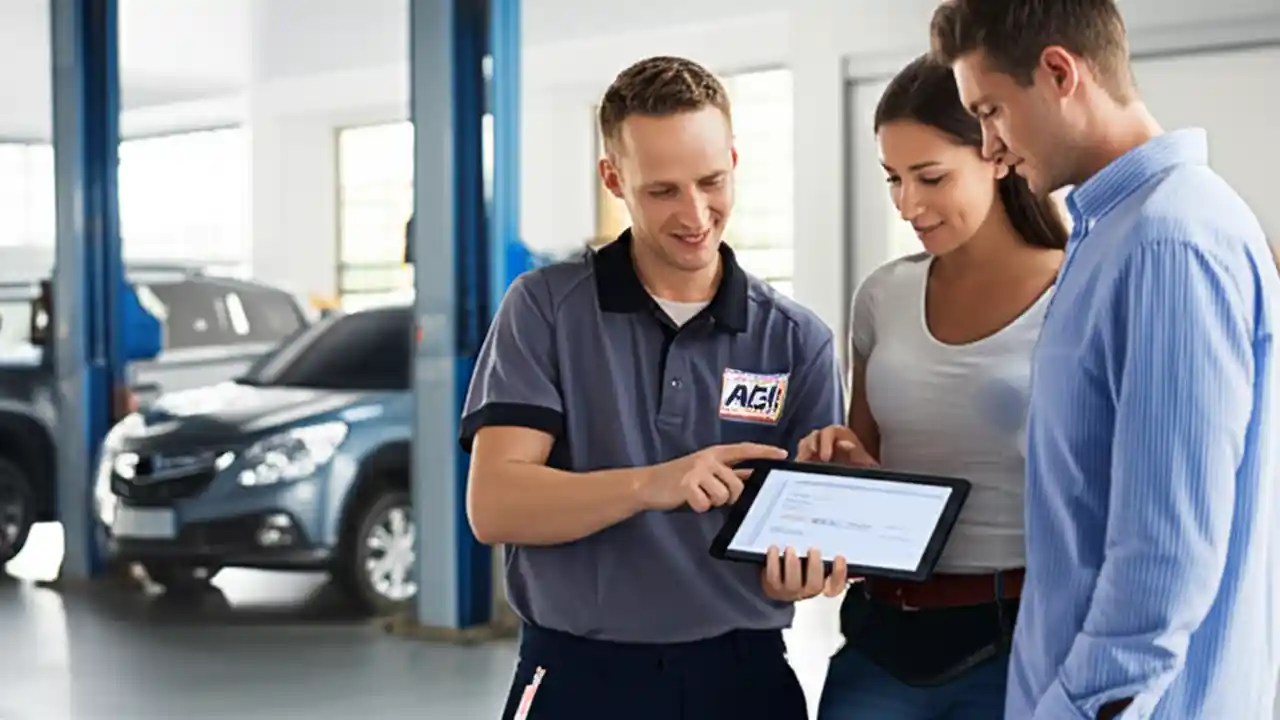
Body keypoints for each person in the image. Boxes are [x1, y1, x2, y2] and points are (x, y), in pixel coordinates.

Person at [460, 55, 845, 720]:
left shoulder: (796, 340)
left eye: (711, 181)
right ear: (614, 178)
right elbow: (495, 505)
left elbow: (813, 523)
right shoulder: (545, 310)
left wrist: (813, 568)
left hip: (745, 679)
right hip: (579, 676)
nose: (695, 214)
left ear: (733, 158)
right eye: (662, 191)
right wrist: (651, 483)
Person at [928, 1, 1280, 718]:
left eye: (991, 110)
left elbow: (1163, 563)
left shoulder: (1169, 240)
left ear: (1059, 72)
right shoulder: (1111, 233)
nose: (989, 148)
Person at [763, 55, 1069, 719]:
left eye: (929, 177)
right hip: (883, 637)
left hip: (1020, 642)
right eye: (893, 179)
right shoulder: (883, 296)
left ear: (997, 154)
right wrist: (840, 477)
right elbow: (867, 467)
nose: (907, 204)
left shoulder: (1077, 291)